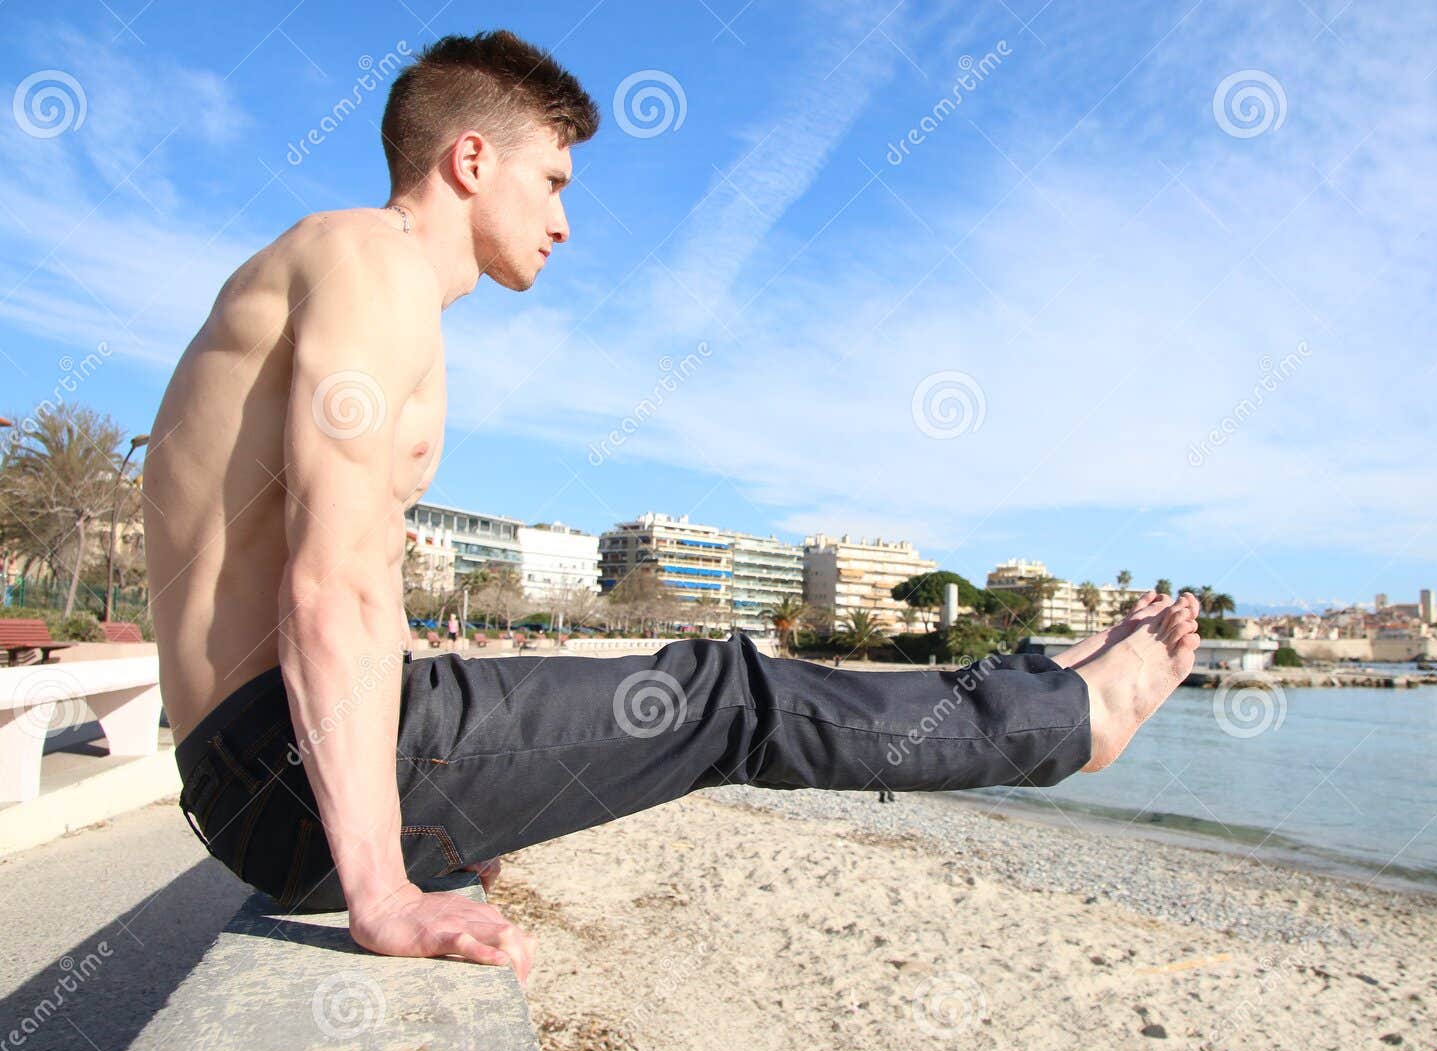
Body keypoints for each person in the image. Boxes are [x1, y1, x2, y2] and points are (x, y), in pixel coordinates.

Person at [142, 30, 1201, 986]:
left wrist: (468, 807)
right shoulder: (370, 260)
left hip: (267, 775)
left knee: (700, 692)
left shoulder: (343, 274)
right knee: (724, 695)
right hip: (281, 772)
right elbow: (330, 586)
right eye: (552, 180)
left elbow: (351, 586)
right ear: (470, 160)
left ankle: (1034, 681)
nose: (563, 223)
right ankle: (1068, 722)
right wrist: (379, 886)